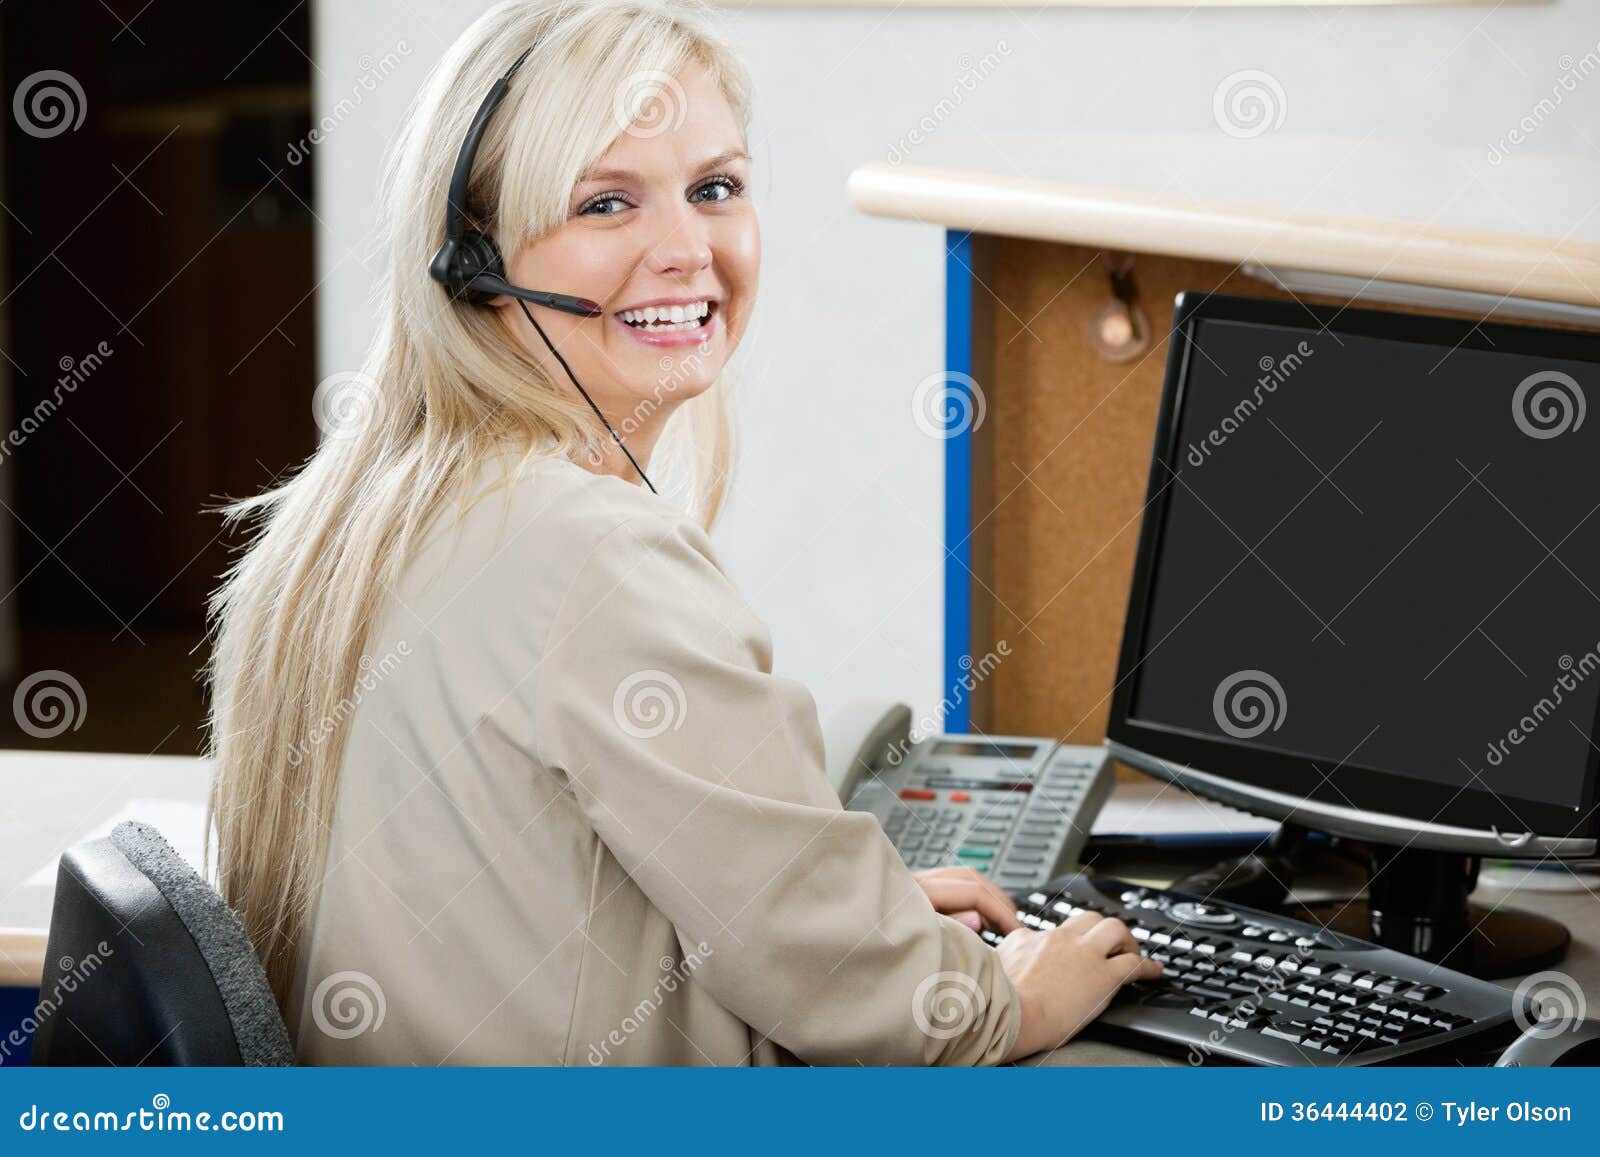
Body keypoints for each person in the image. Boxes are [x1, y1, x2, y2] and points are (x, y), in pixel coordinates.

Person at [205, 0, 1159, 1066]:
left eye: (716, 188)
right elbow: (905, 1022)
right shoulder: (584, 550)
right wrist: (997, 997)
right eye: (607, 202)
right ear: (475, 257)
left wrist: (858, 921)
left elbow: (541, 899)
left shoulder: (344, 515)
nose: (687, 248)